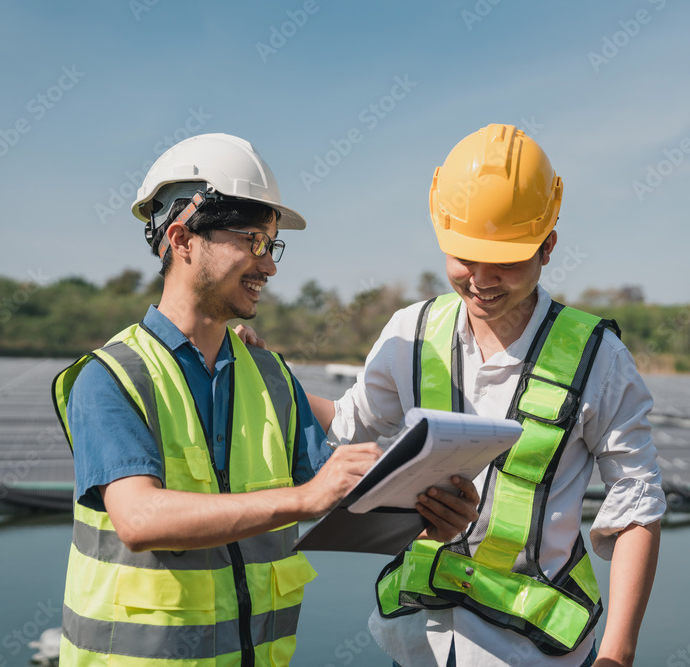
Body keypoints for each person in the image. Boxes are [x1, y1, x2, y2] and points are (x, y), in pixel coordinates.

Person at [51, 133, 475, 667]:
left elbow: (343, 499)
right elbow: (139, 519)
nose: (269, 266)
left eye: (270, 245)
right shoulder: (112, 377)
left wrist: (423, 515)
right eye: (251, 239)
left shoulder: (271, 377)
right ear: (182, 240)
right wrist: (302, 498)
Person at [274, 124, 665, 666]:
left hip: (537, 650)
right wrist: (269, 370)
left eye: (504, 260)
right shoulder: (409, 333)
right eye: (464, 257)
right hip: (418, 643)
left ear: (547, 245)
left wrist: (617, 655)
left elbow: (636, 509)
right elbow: (347, 424)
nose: (481, 279)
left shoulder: (598, 358)